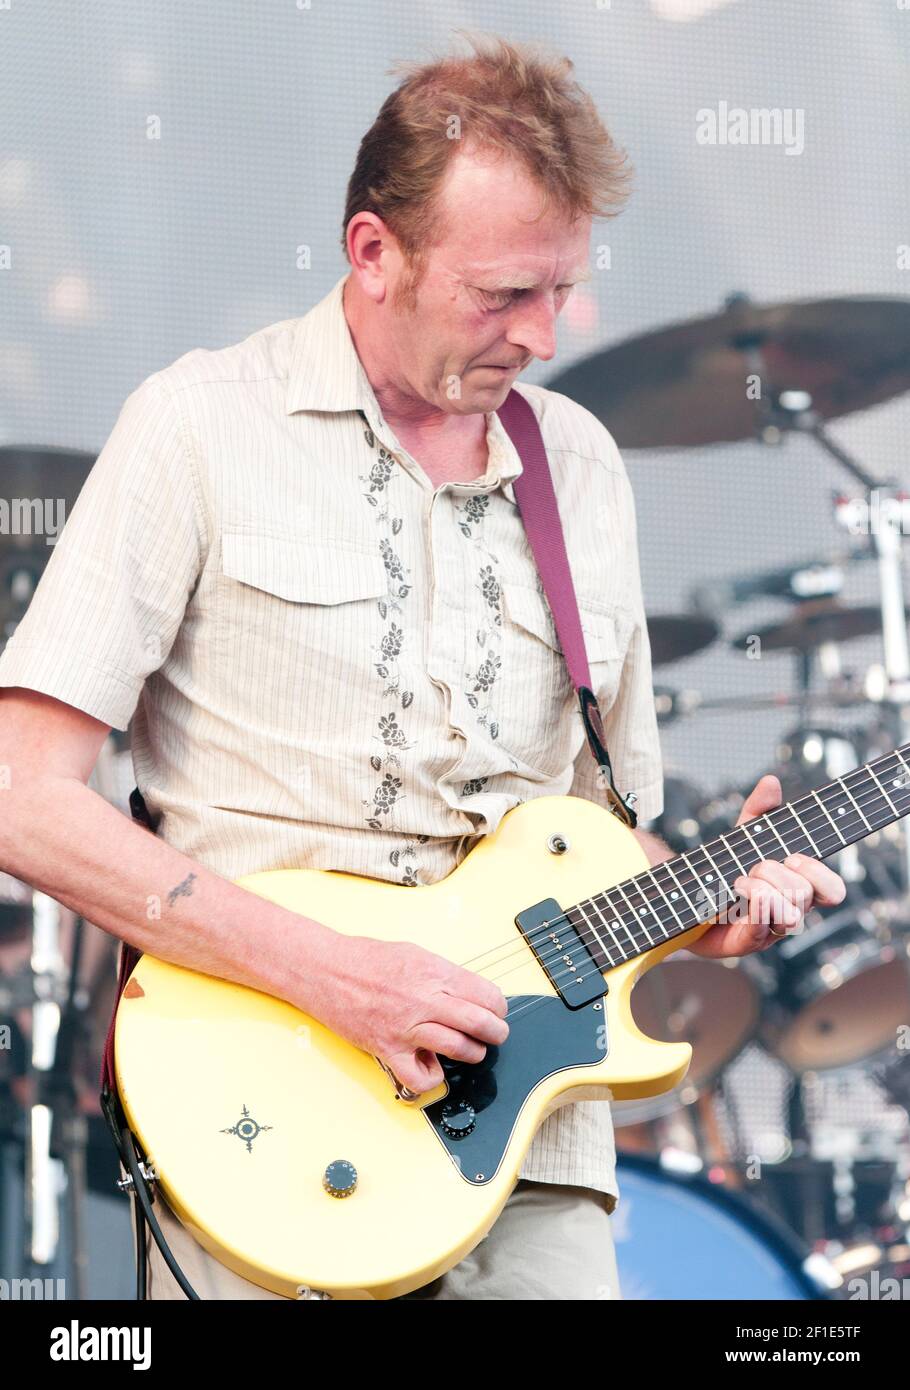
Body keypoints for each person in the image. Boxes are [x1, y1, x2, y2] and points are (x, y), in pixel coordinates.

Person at [0, 32, 845, 1300]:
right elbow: (22, 794)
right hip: (269, 1120)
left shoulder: (583, 469)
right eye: (504, 293)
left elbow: (595, 844)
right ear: (373, 254)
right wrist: (335, 976)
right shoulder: (199, 425)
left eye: (563, 290)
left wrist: (706, 906)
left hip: (533, 1154)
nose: (544, 335)